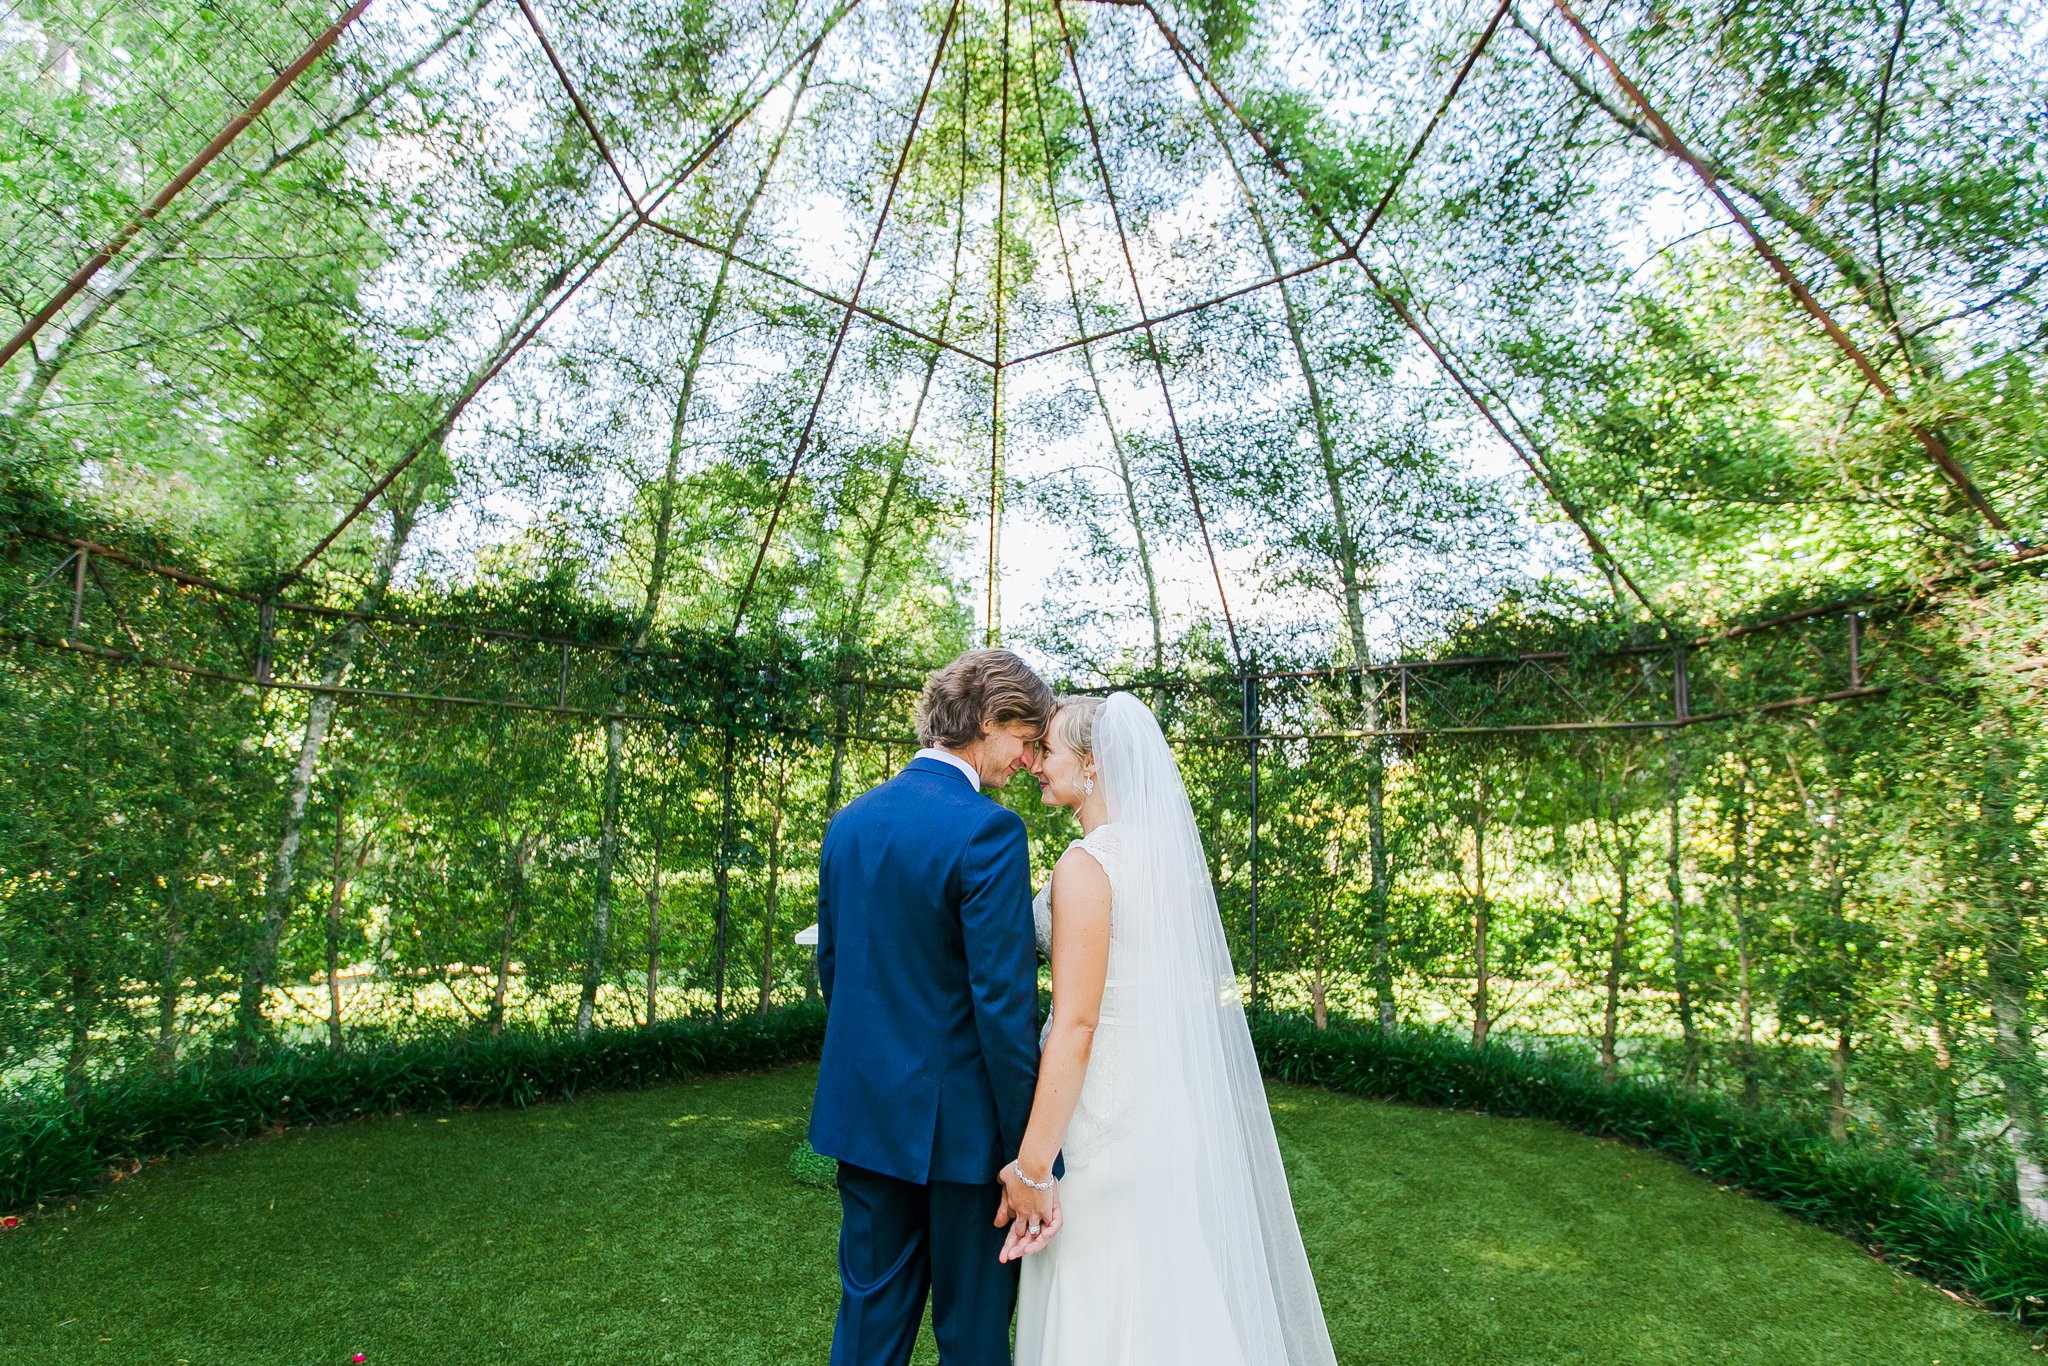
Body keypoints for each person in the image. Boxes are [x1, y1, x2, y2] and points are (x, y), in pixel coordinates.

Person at [1006, 692, 1339, 1366]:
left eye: (1049, 750)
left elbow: (1076, 1023)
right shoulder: (1163, 858)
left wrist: (1033, 1166)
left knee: (1096, 1295)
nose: (1036, 764)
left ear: (1093, 764)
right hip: (1164, 1112)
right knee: (1164, 1291)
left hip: (1098, 1120)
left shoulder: (1086, 865)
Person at [808, 648, 1060, 1366]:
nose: (1029, 758)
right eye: (1026, 738)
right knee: (973, 1337)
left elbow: (837, 973)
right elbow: (1004, 1009)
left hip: (866, 1121)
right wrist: (1027, 1155)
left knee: (867, 1331)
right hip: (966, 1142)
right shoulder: (989, 832)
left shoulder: (849, 823)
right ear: (988, 721)